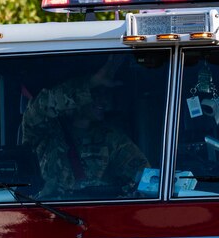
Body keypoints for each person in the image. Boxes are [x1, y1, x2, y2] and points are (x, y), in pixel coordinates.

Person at [18, 59, 149, 197]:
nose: (103, 101)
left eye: (105, 94)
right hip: (46, 213)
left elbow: (145, 178)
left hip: (94, 215)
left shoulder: (112, 138)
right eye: (96, 94)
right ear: (78, 97)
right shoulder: (44, 130)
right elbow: (41, 106)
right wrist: (90, 83)